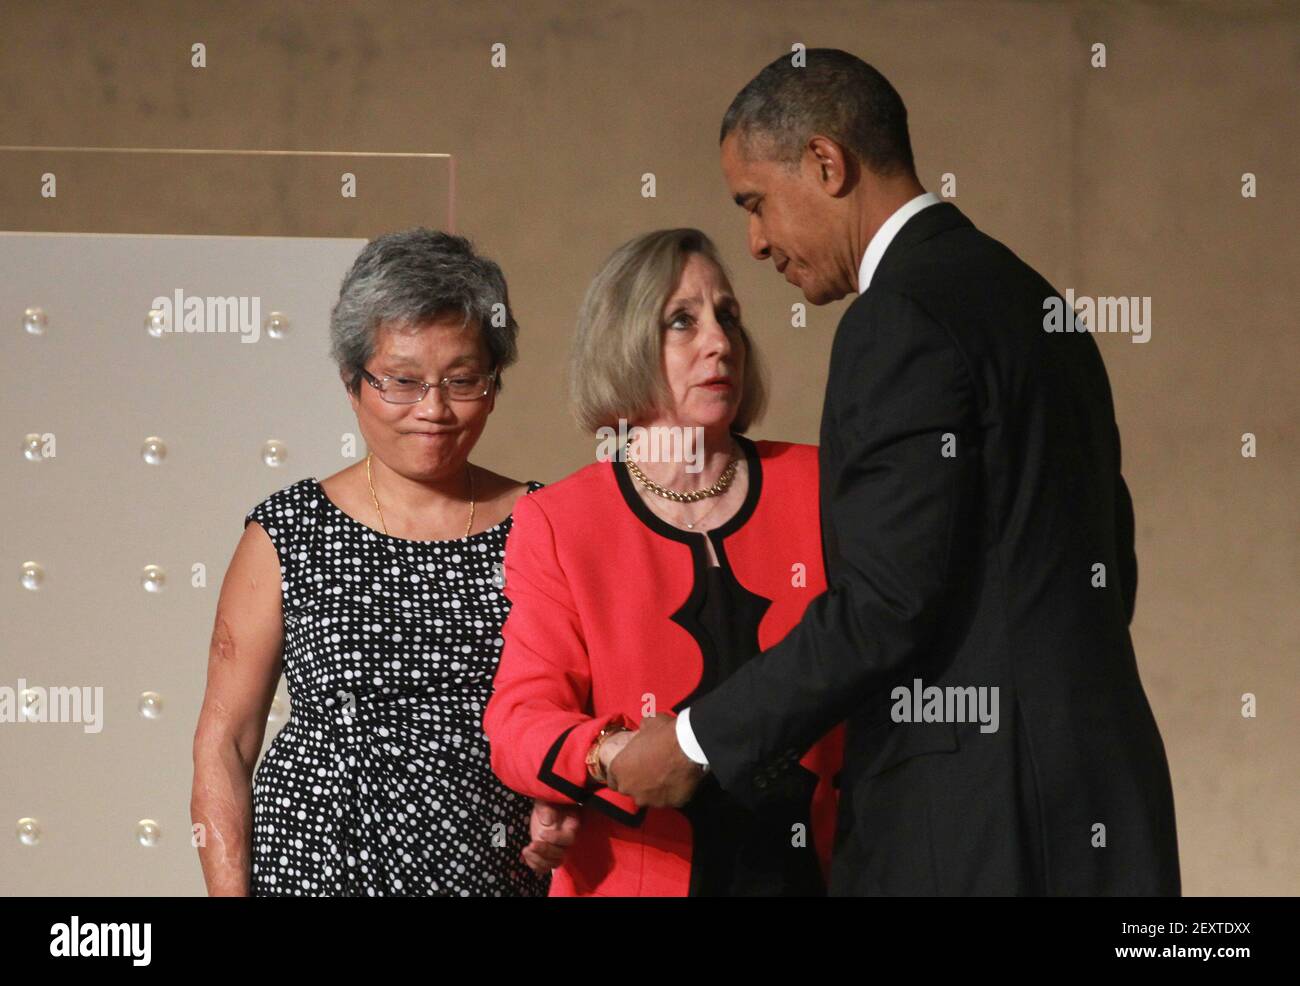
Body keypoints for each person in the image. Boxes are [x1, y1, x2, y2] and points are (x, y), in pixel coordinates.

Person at [607, 49, 1182, 896]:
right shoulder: (1037, 302)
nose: (758, 241)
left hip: (975, 829)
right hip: (1106, 804)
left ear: (827, 163)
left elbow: (883, 606)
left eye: (755, 203)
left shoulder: (897, 320)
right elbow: (1107, 565)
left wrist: (695, 741)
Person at [190, 228, 562, 896]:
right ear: (351, 380)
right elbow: (227, 742)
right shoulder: (289, 529)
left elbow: (581, 717)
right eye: (403, 381)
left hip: (488, 875)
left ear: (494, 381)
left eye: (462, 380)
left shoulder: (546, 523)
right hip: (312, 870)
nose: (434, 410)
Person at [484, 228, 843, 896]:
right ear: (623, 345)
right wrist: (604, 753)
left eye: (728, 317)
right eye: (682, 321)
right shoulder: (562, 521)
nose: (719, 342)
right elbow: (519, 720)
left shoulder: (819, 485)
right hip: (639, 873)